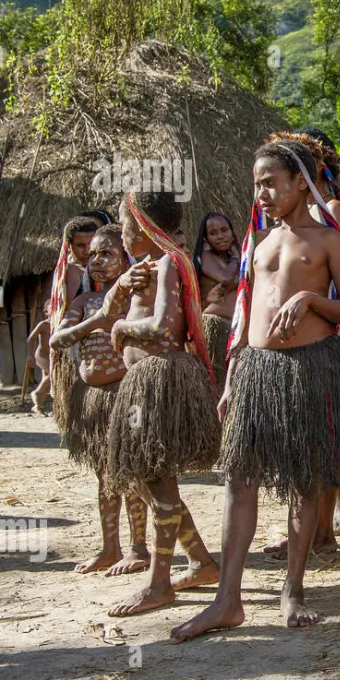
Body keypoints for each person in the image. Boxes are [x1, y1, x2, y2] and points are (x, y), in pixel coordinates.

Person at [171, 141, 340, 642]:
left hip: (311, 367)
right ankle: (227, 599)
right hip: (256, 370)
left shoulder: (327, 240)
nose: (262, 192)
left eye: (269, 182)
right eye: (257, 184)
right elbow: (243, 317)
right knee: (238, 480)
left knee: (303, 480)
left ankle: (293, 590)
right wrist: (234, 379)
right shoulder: (257, 241)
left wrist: (310, 299)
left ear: (301, 182)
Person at [102, 190, 222, 616]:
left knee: (157, 478)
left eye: (125, 223)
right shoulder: (149, 266)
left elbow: (161, 327)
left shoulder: (170, 262)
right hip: (145, 382)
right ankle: (203, 562)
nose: (122, 231)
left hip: (159, 380)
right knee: (146, 477)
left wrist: (123, 329)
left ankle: (159, 583)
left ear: (143, 224)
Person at [265, 128, 340, 546]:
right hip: (281, 347)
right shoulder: (273, 226)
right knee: (297, 444)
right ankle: (313, 529)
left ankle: (325, 526)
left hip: (328, 335)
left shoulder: (334, 213)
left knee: (321, 441)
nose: (265, 192)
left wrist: (313, 303)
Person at [49, 224, 149, 577]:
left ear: (126, 259)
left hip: (128, 396)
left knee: (133, 471)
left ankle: (139, 548)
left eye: (106, 253)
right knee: (104, 474)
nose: (97, 260)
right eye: (91, 254)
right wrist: (97, 321)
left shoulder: (138, 299)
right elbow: (57, 340)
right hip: (91, 399)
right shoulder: (83, 301)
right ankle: (110, 548)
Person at [47, 216, 103, 435]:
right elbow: (72, 307)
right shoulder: (71, 271)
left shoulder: (100, 267)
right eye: (80, 245)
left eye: (91, 244)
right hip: (77, 344)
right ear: (69, 246)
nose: (87, 249)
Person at [193, 211, 240, 393]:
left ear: (231, 230)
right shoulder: (205, 257)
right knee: (218, 387)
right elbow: (226, 278)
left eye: (224, 230)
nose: (220, 236)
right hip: (216, 328)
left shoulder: (234, 258)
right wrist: (236, 256)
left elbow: (251, 280)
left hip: (236, 328)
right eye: (213, 233)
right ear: (205, 238)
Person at [26, 319, 52, 414]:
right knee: (53, 375)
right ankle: (36, 392)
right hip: (42, 356)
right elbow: (31, 338)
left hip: (53, 356)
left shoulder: (61, 322)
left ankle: (38, 407)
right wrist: (30, 355)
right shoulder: (44, 324)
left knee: (46, 381)